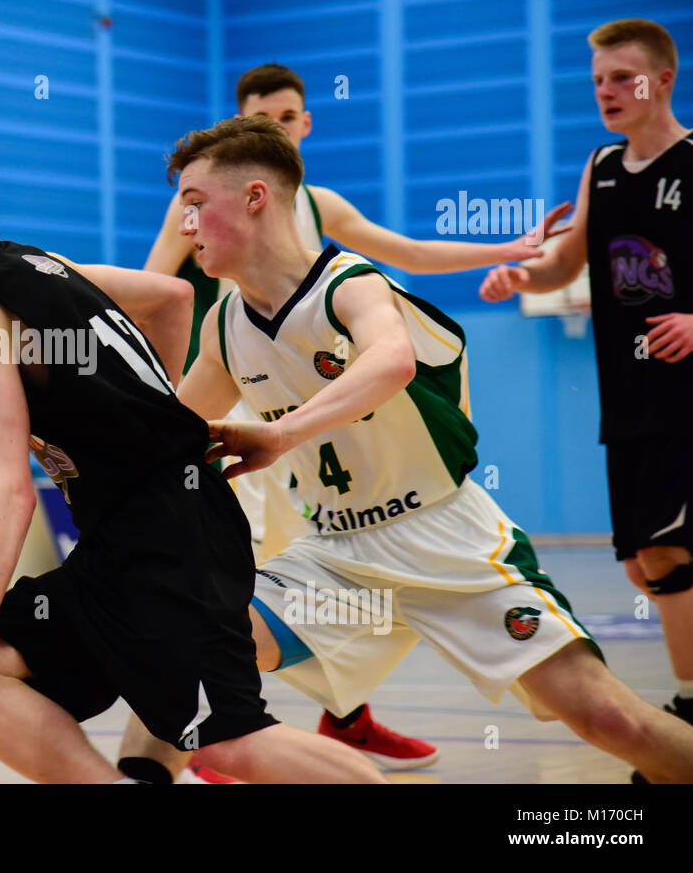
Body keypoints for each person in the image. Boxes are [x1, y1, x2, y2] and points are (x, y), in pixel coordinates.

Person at [118, 113, 693, 783]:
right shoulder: (225, 326)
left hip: (447, 540)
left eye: (194, 204)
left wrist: (279, 433)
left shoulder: (348, 285)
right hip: (337, 557)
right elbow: (166, 438)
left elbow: (389, 363)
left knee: (611, 721)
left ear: (255, 198)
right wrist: (57, 437)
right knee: (191, 635)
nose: (182, 225)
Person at [0, 126, 385, 783]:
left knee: (229, 743)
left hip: (164, 542)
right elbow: (174, 298)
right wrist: (143, 417)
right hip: (130, 540)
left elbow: (13, 492)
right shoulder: (42, 267)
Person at [140, 63, 552, 773]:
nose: (281, 126)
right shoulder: (203, 206)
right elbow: (158, 291)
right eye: (264, 118)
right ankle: (232, 721)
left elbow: (409, 254)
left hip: (323, 410)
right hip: (237, 392)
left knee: (340, 557)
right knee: (267, 568)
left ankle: (324, 719)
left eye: (290, 116)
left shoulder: (323, 216)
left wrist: (507, 249)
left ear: (306, 125)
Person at [480, 18, 693, 781]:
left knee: (671, 551)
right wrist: (520, 274)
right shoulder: (601, 166)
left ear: (662, 80)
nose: (605, 91)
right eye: (598, 78)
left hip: (684, 396)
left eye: (622, 77)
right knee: (643, 565)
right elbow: (564, 261)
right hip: (627, 394)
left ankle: (690, 710)